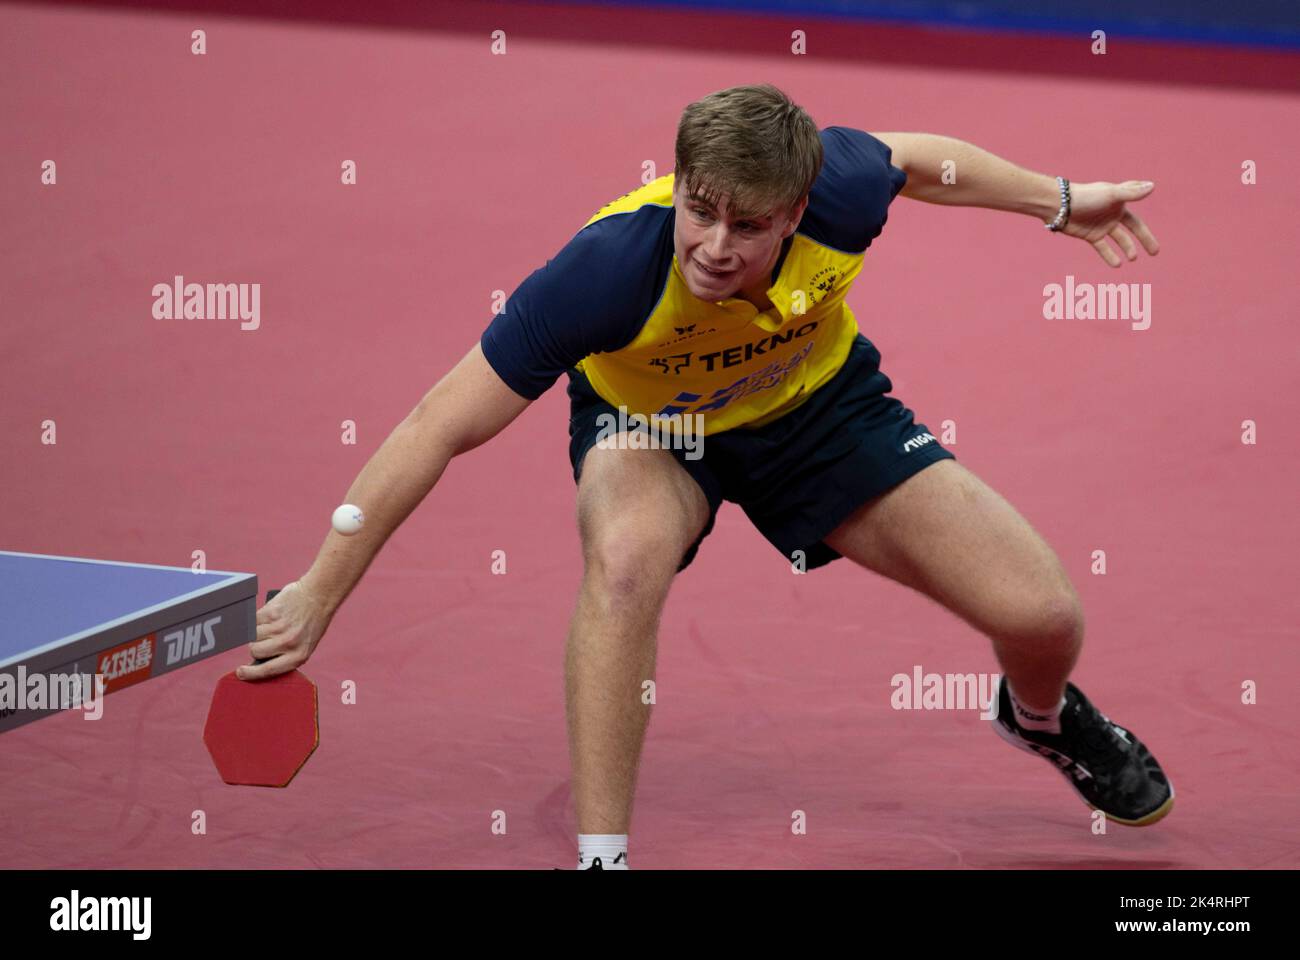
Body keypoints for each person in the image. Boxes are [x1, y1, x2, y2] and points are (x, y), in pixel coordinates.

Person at [245, 83, 1172, 870]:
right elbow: (434, 427)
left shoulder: (843, 188)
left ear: (798, 210)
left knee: (1043, 614)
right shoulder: (603, 274)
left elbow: (921, 159)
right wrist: (325, 586)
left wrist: (1058, 200)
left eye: (749, 225)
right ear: (681, 186)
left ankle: (1039, 717)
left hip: (819, 413)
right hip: (650, 425)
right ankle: (602, 860)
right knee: (624, 561)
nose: (716, 246)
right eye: (701, 209)